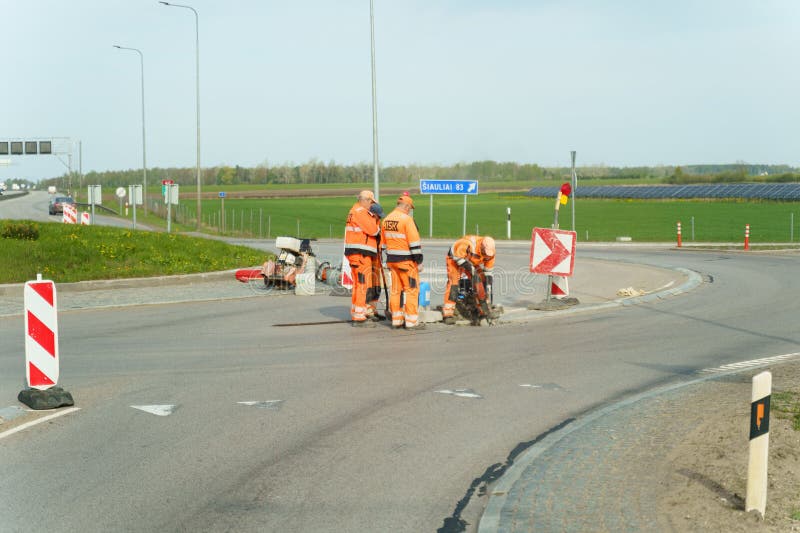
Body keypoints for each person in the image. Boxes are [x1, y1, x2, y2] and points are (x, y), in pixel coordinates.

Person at [382, 194, 424, 329]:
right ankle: (411, 322)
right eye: (410, 208)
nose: (409, 211)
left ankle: (396, 320)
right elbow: (414, 243)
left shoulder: (386, 219)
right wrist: (419, 262)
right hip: (406, 263)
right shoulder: (407, 220)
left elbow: (382, 245)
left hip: (392, 262)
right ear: (406, 206)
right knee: (411, 290)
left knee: (395, 290)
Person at [345, 190, 381, 327]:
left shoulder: (354, 210)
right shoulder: (360, 212)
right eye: (371, 203)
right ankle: (359, 318)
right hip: (360, 254)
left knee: (357, 284)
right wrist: (376, 219)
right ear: (365, 200)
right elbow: (373, 230)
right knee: (362, 285)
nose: (371, 206)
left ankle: (357, 312)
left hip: (356, 253)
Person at [442, 235, 496, 324]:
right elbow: (458, 258)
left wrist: (488, 285)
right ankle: (448, 314)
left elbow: (488, 272)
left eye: (487, 255)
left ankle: (484, 310)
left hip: (471, 261)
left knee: (480, 283)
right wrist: (472, 270)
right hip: (455, 259)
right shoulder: (467, 244)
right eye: (485, 253)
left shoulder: (491, 253)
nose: (486, 256)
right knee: (453, 284)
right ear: (482, 247)